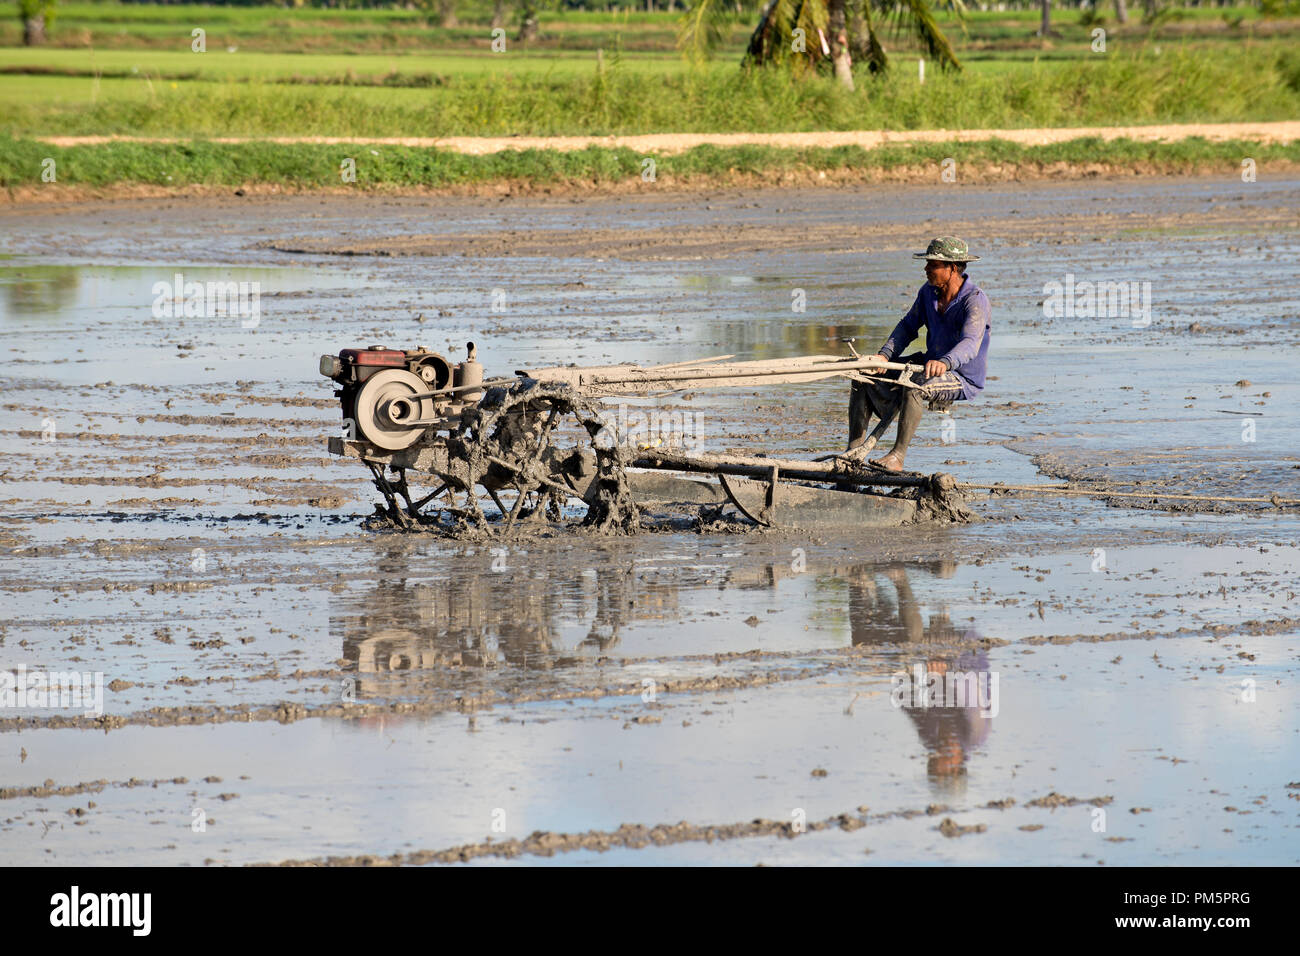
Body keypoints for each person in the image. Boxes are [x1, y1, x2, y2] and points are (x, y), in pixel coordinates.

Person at [845, 236, 991, 472]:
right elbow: (907, 327)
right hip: (927, 364)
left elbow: (971, 343)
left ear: (952, 268)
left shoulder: (975, 300)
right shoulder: (928, 293)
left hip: (961, 377)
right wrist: (884, 356)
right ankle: (852, 454)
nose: (926, 268)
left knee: (915, 385)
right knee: (863, 375)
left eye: (932, 264)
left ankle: (897, 457)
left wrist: (946, 362)